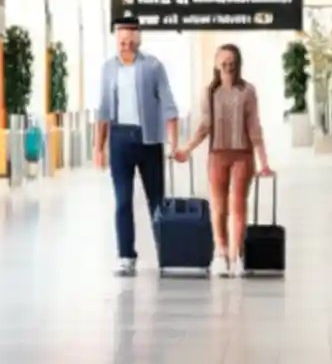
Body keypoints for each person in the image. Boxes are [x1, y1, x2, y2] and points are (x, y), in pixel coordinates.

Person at [174, 43, 273, 278]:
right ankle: (220, 252)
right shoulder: (209, 92)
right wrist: (187, 149)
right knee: (218, 206)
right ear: (217, 64)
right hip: (217, 154)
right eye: (223, 61)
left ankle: (236, 255)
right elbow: (204, 127)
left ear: (237, 64)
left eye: (232, 61)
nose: (228, 65)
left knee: (238, 205)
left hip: (243, 155)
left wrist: (263, 161)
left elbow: (254, 127)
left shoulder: (247, 91)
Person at [94, 16, 180, 277]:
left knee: (156, 200)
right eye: (122, 39)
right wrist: (99, 147)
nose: (126, 44)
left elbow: (168, 104)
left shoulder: (153, 66)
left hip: (149, 139)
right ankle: (126, 255)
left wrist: (173, 142)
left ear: (139, 38)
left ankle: (166, 252)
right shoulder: (108, 68)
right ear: (116, 39)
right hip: (120, 140)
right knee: (122, 201)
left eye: (131, 38)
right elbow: (104, 110)